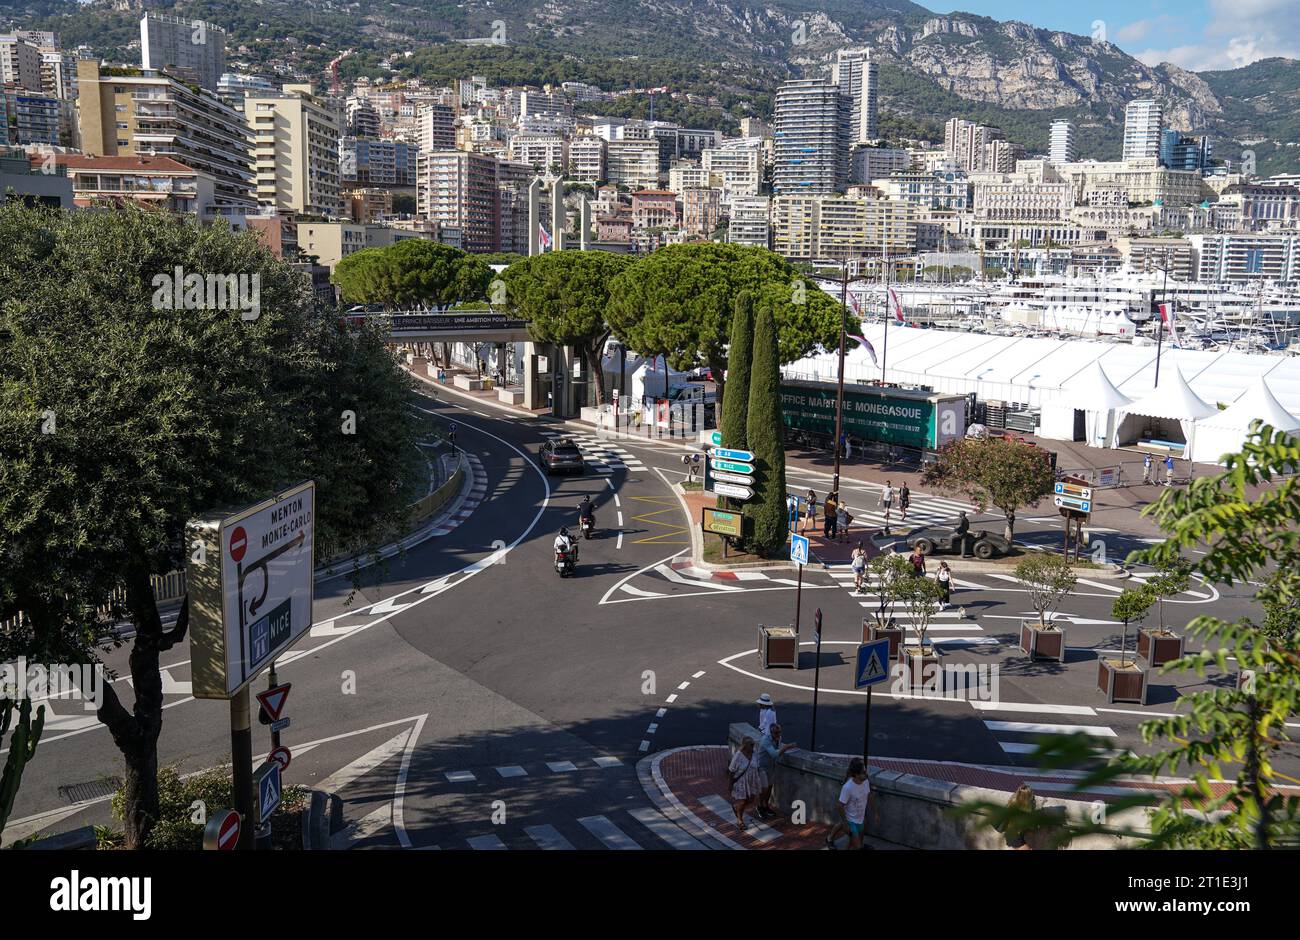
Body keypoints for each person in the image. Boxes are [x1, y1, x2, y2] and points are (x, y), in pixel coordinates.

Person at [754, 724, 797, 819]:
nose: (778, 734)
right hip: (762, 767)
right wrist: (786, 747)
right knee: (764, 788)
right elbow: (774, 754)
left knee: (769, 788)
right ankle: (760, 807)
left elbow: (777, 749)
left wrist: (783, 747)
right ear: (771, 732)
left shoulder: (778, 738)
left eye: (779, 732)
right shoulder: (766, 740)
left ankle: (765, 806)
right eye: (776, 732)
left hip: (771, 767)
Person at [830, 757, 872, 850]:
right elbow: (839, 805)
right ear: (856, 775)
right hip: (850, 820)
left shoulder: (866, 781)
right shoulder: (847, 787)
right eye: (864, 772)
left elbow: (869, 795)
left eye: (865, 771)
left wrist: (875, 811)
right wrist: (845, 824)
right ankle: (829, 838)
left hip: (860, 819)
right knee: (858, 846)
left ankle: (831, 839)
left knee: (853, 844)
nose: (866, 774)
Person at [727, 737, 761, 829]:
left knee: (751, 800)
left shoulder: (755, 754)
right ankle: (740, 820)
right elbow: (731, 770)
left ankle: (736, 807)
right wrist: (730, 784)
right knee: (742, 802)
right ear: (745, 746)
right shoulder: (738, 755)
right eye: (751, 745)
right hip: (741, 781)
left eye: (753, 744)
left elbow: (757, 766)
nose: (753, 746)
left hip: (752, 780)